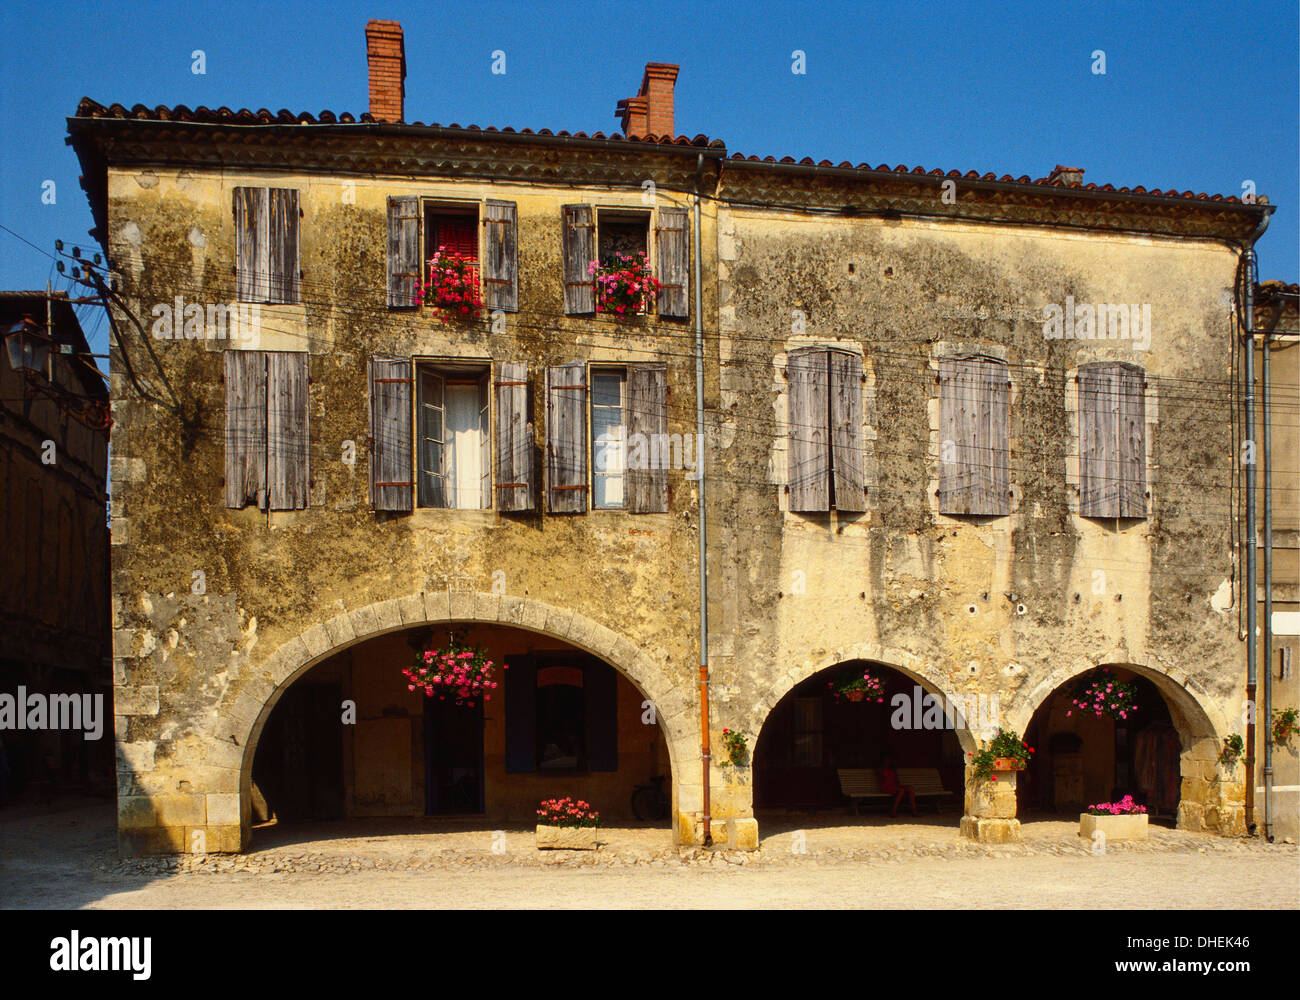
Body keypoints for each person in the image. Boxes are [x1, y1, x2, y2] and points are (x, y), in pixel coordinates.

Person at [878, 752, 916, 817]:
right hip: (886, 786)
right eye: (887, 759)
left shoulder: (892, 768)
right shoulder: (881, 768)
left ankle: (914, 811)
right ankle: (893, 811)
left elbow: (897, 779)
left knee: (911, 788)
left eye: (889, 759)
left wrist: (897, 782)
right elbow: (882, 779)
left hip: (894, 785)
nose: (888, 761)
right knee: (901, 790)